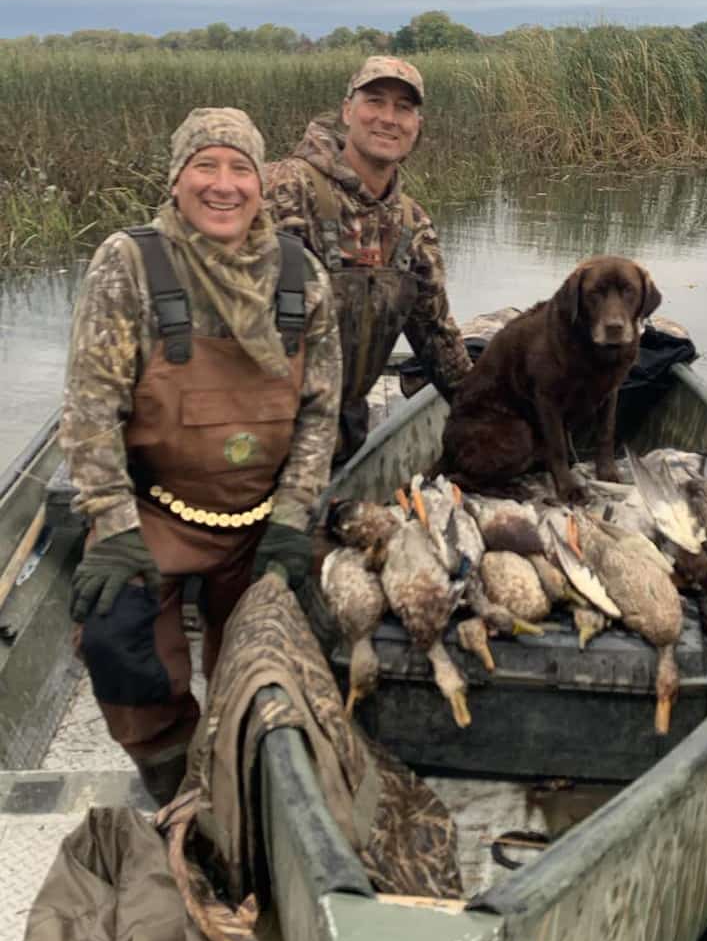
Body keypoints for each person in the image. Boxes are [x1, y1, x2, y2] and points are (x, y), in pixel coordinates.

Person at [60, 107, 340, 805]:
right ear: (177, 179)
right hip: (156, 513)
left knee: (295, 648)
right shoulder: (128, 264)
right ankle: (175, 780)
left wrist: (293, 519)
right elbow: (90, 409)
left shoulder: (301, 275)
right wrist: (113, 526)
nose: (224, 184)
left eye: (240, 167)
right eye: (205, 166)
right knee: (115, 640)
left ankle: (245, 759)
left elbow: (320, 413)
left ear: (260, 183)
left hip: (262, 518)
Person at [266, 55, 472, 464]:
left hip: (341, 439)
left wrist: (502, 414)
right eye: (374, 101)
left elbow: (439, 345)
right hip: (258, 434)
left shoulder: (412, 225)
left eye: (404, 108)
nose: (388, 118)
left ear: (417, 124)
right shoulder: (284, 188)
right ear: (347, 111)